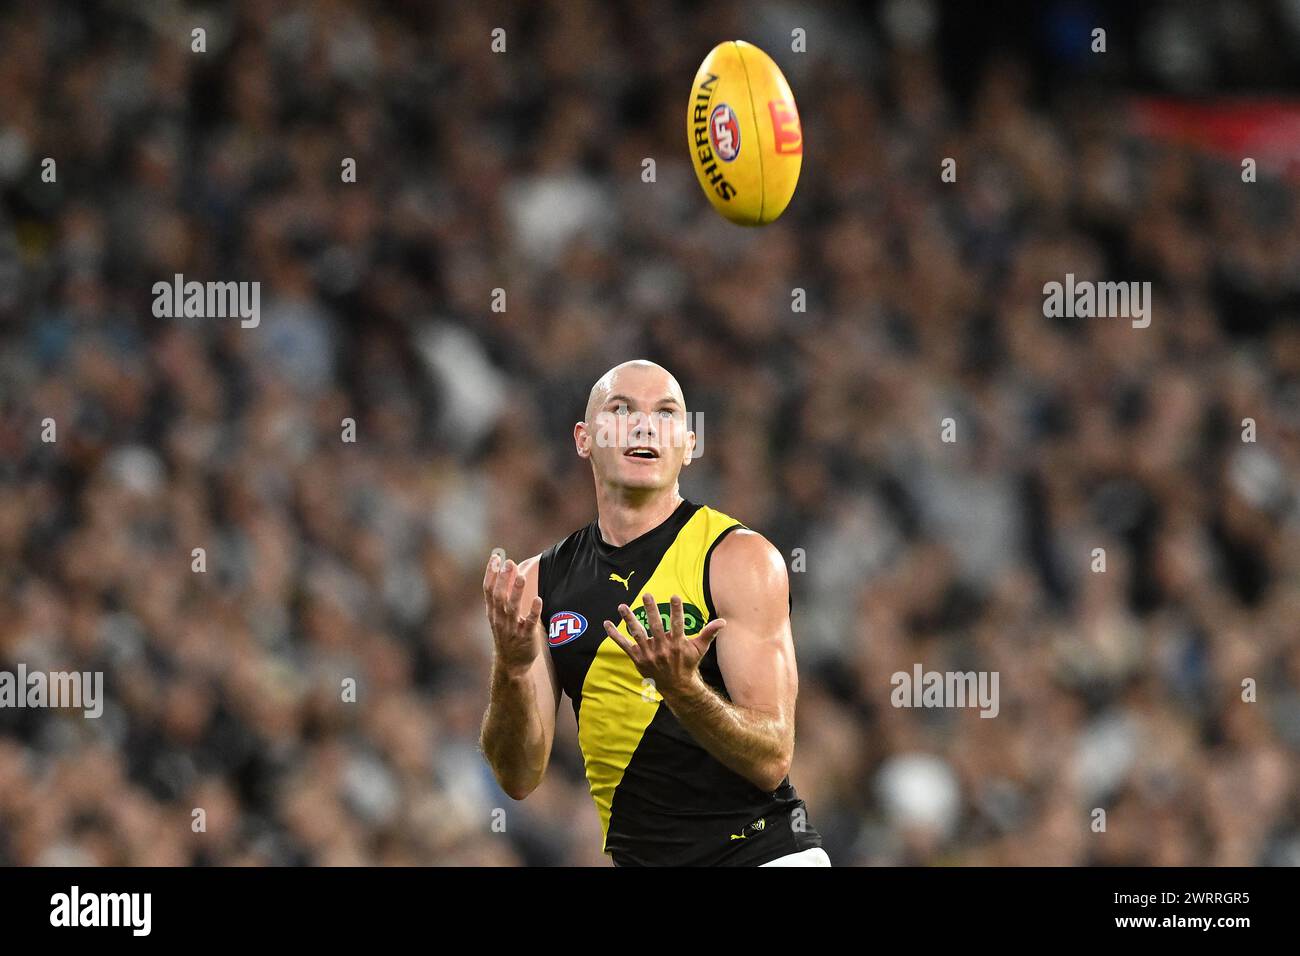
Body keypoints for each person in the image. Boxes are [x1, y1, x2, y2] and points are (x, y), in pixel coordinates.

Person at [479, 360, 828, 866]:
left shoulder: (738, 560)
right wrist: (510, 667)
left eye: (665, 414)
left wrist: (682, 689)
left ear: (687, 445)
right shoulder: (539, 583)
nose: (644, 425)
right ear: (583, 438)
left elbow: (772, 757)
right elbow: (517, 777)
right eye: (621, 410)